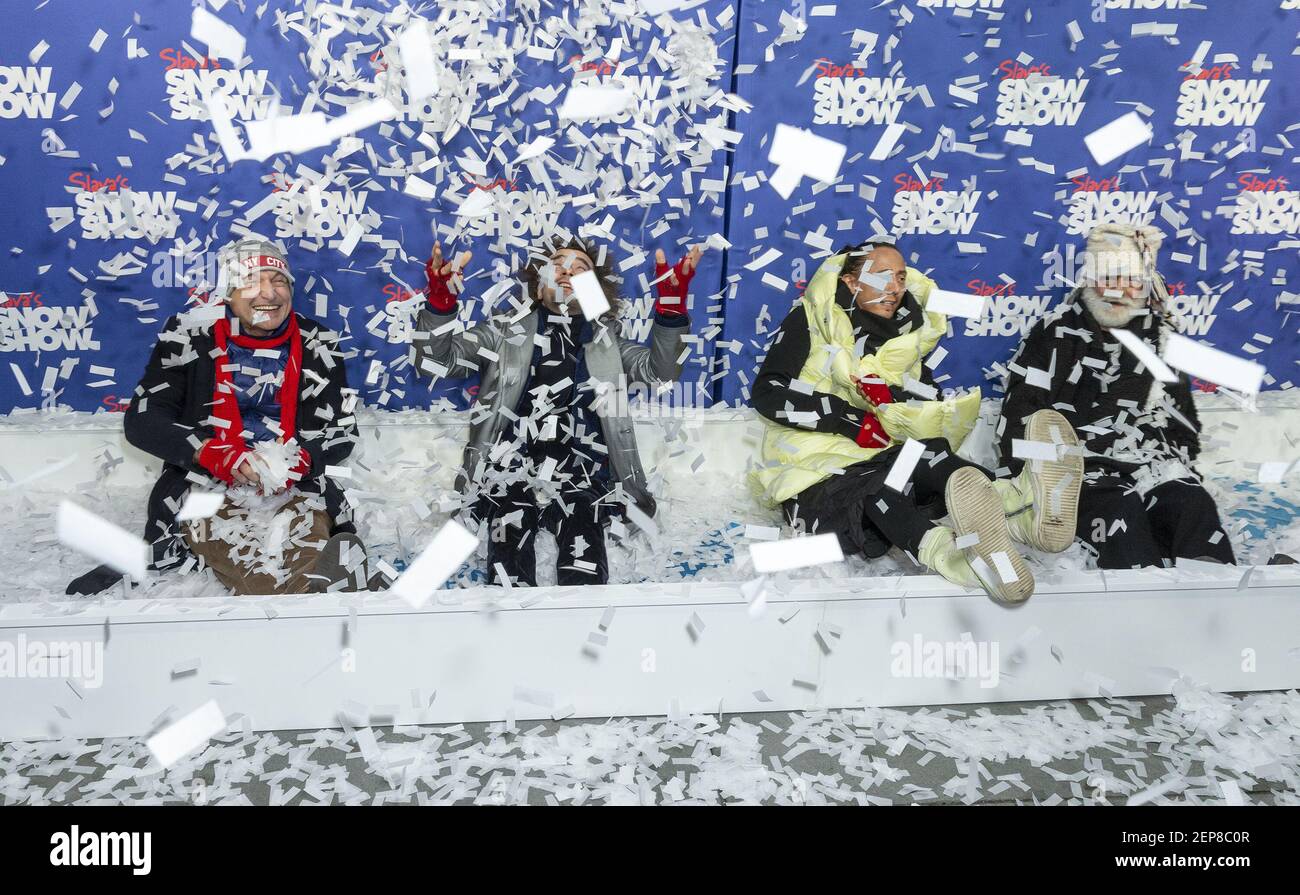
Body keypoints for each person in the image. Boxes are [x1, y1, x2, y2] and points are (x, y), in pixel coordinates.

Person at [750, 240, 1083, 605]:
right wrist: (848, 418)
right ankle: (962, 554)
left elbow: (927, 407)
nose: (894, 287)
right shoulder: (810, 321)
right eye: (881, 276)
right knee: (877, 491)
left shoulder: (906, 339)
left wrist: (893, 401)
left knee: (926, 453)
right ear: (850, 281)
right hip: (816, 477)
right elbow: (768, 393)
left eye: (901, 277)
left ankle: (1019, 509)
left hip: (883, 465)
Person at [66, 237, 377, 596]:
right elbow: (143, 420)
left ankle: (322, 581)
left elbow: (342, 431)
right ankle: (322, 594)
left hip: (295, 487)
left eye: (278, 282)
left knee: (306, 540)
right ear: (227, 294)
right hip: (205, 488)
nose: (269, 294)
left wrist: (301, 459)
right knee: (249, 556)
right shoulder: (188, 335)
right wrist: (212, 453)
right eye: (251, 282)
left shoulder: (318, 342)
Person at [411, 235, 696, 586]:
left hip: (584, 474)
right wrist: (440, 304)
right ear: (538, 284)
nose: (567, 272)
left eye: (581, 269)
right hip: (509, 471)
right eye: (557, 264)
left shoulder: (609, 342)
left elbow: (662, 374)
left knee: (583, 525)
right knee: (510, 520)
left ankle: (580, 617)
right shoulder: (503, 332)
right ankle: (507, 616)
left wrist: (670, 311)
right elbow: (433, 364)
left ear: (594, 291)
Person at [998, 223, 1236, 569]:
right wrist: (1036, 484)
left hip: (1148, 466)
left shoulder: (1160, 336)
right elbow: (1016, 422)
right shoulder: (1055, 333)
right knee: (1120, 507)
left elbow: (1183, 424)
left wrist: (1178, 467)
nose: (1119, 290)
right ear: (1092, 279)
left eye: (1131, 281)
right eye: (1110, 278)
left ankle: (1217, 602)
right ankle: (1143, 603)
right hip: (1080, 471)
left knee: (1191, 501)